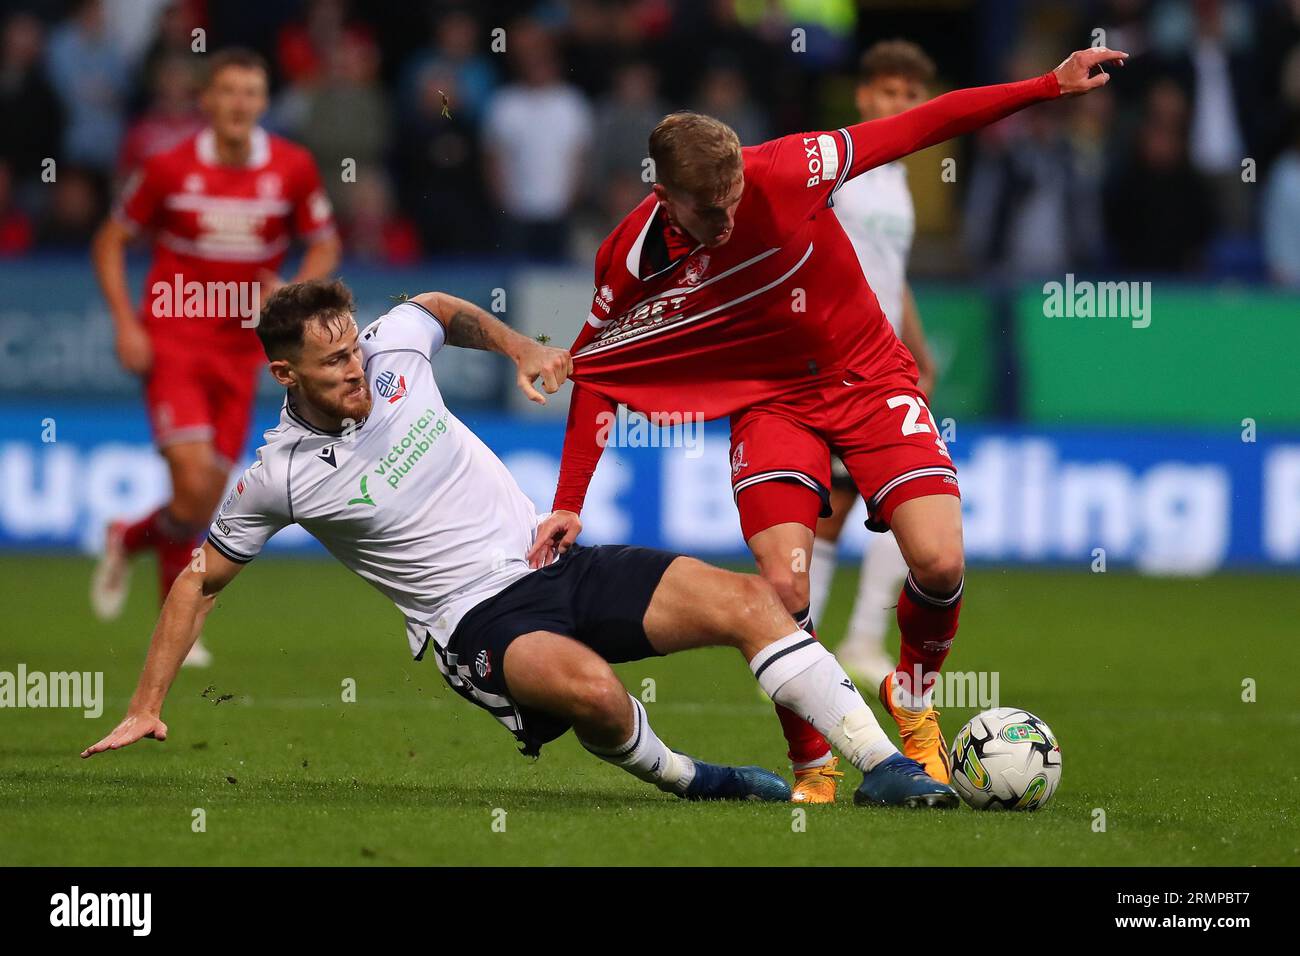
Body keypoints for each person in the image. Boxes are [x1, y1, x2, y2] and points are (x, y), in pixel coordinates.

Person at [81, 279, 958, 811]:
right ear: (287, 377)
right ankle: (693, 778)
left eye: (354, 348)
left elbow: (439, 310)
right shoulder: (277, 476)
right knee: (595, 695)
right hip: (474, 626)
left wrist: (517, 347)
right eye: (334, 365)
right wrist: (146, 703)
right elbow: (200, 580)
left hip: (551, 560)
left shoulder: (391, 349)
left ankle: (881, 765)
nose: (356, 371)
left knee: (754, 602)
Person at [531, 47, 1127, 803]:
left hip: (868, 375)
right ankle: (815, 763)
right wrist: (570, 500)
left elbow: (923, 125)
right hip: (771, 404)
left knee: (939, 564)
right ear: (665, 196)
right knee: (782, 589)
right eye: (706, 208)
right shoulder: (630, 258)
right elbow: (599, 375)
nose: (726, 216)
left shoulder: (792, 165)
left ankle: (910, 694)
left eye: (733, 196)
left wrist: (1047, 85)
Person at [89, 48, 341, 666]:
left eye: (251, 93)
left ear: (263, 103)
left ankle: (127, 536)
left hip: (240, 354)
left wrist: (286, 295)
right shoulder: (169, 167)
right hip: (173, 338)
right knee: (196, 479)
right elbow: (110, 240)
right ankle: (178, 621)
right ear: (207, 100)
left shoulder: (291, 167)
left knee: (200, 500)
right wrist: (126, 324)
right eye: (227, 91)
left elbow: (325, 244)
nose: (239, 104)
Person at [806, 40, 939, 688]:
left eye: (911, 97)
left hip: (883, 360)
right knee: (833, 500)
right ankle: (807, 642)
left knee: (898, 493)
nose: (899, 105)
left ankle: (860, 640)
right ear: (864, 97)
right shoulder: (838, 165)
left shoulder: (899, 178)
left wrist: (916, 345)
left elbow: (893, 275)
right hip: (837, 356)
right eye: (889, 93)